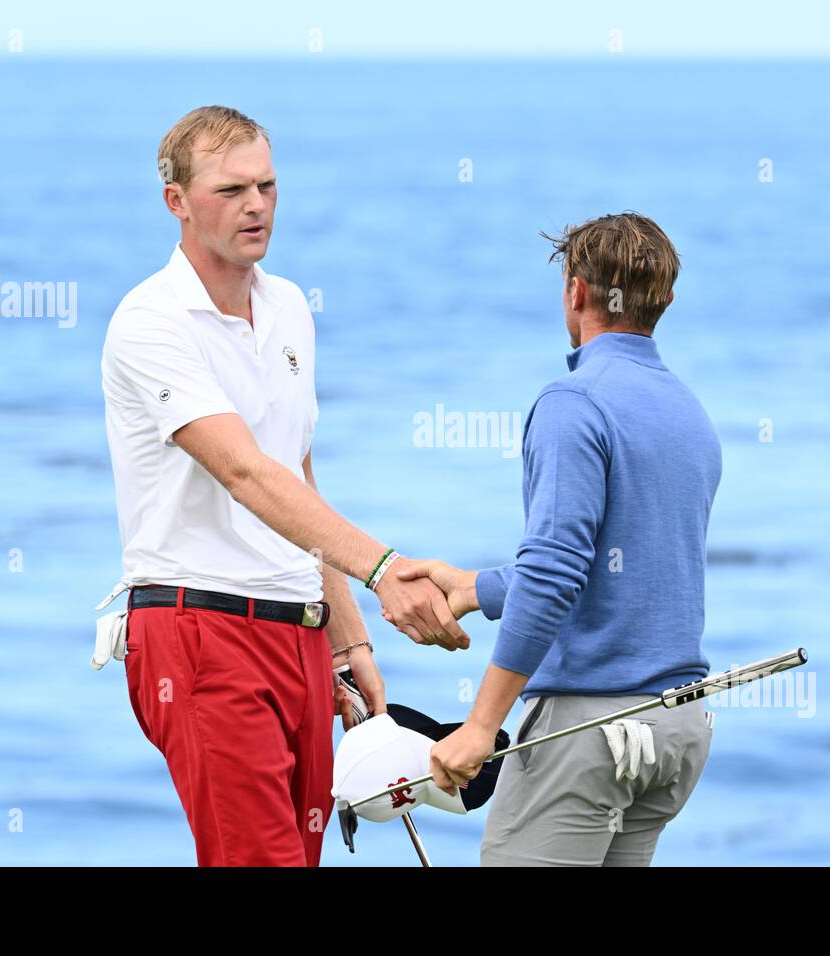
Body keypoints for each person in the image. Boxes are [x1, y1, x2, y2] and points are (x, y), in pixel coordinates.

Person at [99, 105, 467, 866]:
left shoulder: (291, 306)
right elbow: (242, 472)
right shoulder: (149, 321)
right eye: (232, 189)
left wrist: (346, 637)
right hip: (197, 629)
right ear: (176, 201)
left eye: (267, 185)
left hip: (297, 631)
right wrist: (383, 570)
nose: (257, 205)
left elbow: (295, 473)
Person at [398, 212, 722, 866]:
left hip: (591, 733)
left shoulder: (574, 402)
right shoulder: (690, 414)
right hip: (675, 731)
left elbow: (553, 572)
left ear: (576, 292)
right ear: (666, 300)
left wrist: (482, 725)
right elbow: (618, 566)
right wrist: (473, 588)